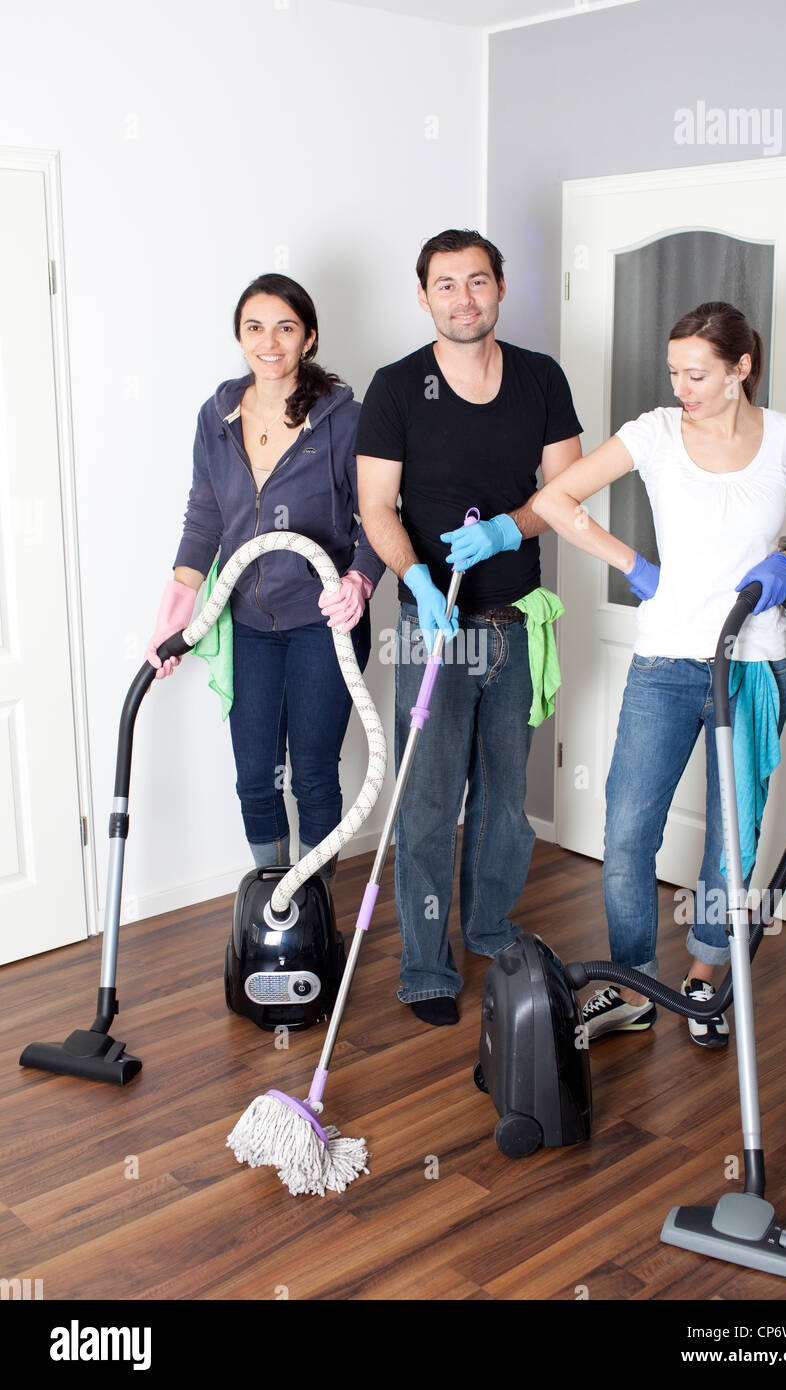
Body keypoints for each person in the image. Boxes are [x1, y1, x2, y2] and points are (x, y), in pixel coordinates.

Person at [532, 301, 786, 1046]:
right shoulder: (655, 434)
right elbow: (554, 497)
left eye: (696, 374)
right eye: (674, 373)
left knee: (732, 843)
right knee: (629, 829)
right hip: (664, 665)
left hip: (754, 667)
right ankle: (631, 984)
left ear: (742, 368)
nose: (682, 387)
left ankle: (703, 982)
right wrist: (631, 564)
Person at [356, 228, 583, 1026]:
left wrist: (510, 529)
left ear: (500, 289)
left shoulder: (540, 379)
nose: (463, 298)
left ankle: (488, 928)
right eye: (445, 285)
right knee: (425, 802)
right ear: (423, 297)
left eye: (477, 281)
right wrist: (417, 580)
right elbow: (376, 506)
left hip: (515, 619)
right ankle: (425, 966)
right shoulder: (394, 388)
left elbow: (564, 493)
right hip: (433, 627)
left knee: (504, 798)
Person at [146, 273, 384, 873]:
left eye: (285, 327)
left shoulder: (345, 420)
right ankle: (270, 903)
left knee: (312, 775)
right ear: (239, 337)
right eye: (255, 327)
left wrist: (359, 579)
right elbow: (204, 517)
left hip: (321, 620)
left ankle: (310, 906)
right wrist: (175, 612)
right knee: (255, 774)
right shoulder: (217, 414)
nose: (269, 341)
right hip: (245, 618)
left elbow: (379, 516)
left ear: (309, 337)